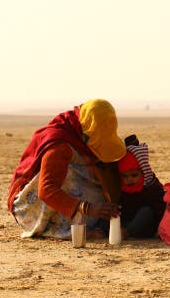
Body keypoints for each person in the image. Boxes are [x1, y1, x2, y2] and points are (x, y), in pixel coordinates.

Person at [7, 99, 124, 239]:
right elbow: (46, 190)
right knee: (69, 175)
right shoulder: (60, 145)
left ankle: (83, 222)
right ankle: (67, 231)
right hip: (29, 209)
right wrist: (88, 208)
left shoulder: (80, 133)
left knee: (93, 170)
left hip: (65, 202)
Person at [117, 135, 166, 238]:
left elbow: (160, 207)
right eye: (125, 176)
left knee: (146, 212)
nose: (129, 180)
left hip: (146, 226)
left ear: (143, 171)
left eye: (134, 175)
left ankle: (126, 233)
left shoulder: (150, 186)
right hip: (125, 221)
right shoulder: (121, 188)